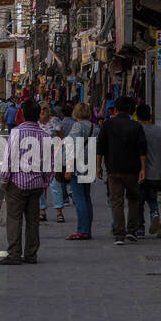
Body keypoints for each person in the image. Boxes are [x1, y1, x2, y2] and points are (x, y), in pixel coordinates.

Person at [0, 99, 52, 265]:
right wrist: (45, 183)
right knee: (33, 221)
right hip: (36, 185)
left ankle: (14, 254)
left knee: (14, 219)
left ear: (23, 114)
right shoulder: (45, 135)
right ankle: (30, 255)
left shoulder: (16, 133)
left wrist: (5, 180)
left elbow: (8, 159)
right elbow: (49, 165)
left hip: (17, 184)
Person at [96, 94, 146, 245]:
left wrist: (98, 166)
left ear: (116, 109)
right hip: (133, 170)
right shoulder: (136, 126)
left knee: (116, 201)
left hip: (113, 169)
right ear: (131, 110)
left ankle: (119, 234)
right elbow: (142, 149)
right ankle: (132, 231)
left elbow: (100, 147)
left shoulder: (107, 125)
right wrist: (143, 169)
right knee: (134, 200)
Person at [135, 103, 161, 237]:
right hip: (157, 171)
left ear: (137, 116)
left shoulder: (137, 130)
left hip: (140, 171)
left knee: (140, 200)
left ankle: (140, 228)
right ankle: (154, 213)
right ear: (150, 115)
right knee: (152, 198)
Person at [64, 103, 96, 241]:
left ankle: (82, 230)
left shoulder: (77, 127)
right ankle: (87, 229)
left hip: (78, 165)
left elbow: (73, 148)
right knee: (86, 197)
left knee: (79, 198)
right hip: (90, 165)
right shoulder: (95, 127)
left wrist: (69, 168)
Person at [37, 101, 65, 223]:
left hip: (54, 157)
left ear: (49, 110)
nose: (42, 111)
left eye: (44, 109)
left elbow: (61, 137)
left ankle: (59, 211)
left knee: (55, 185)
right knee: (40, 185)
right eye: (40, 109)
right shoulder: (35, 123)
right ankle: (42, 210)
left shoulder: (55, 121)